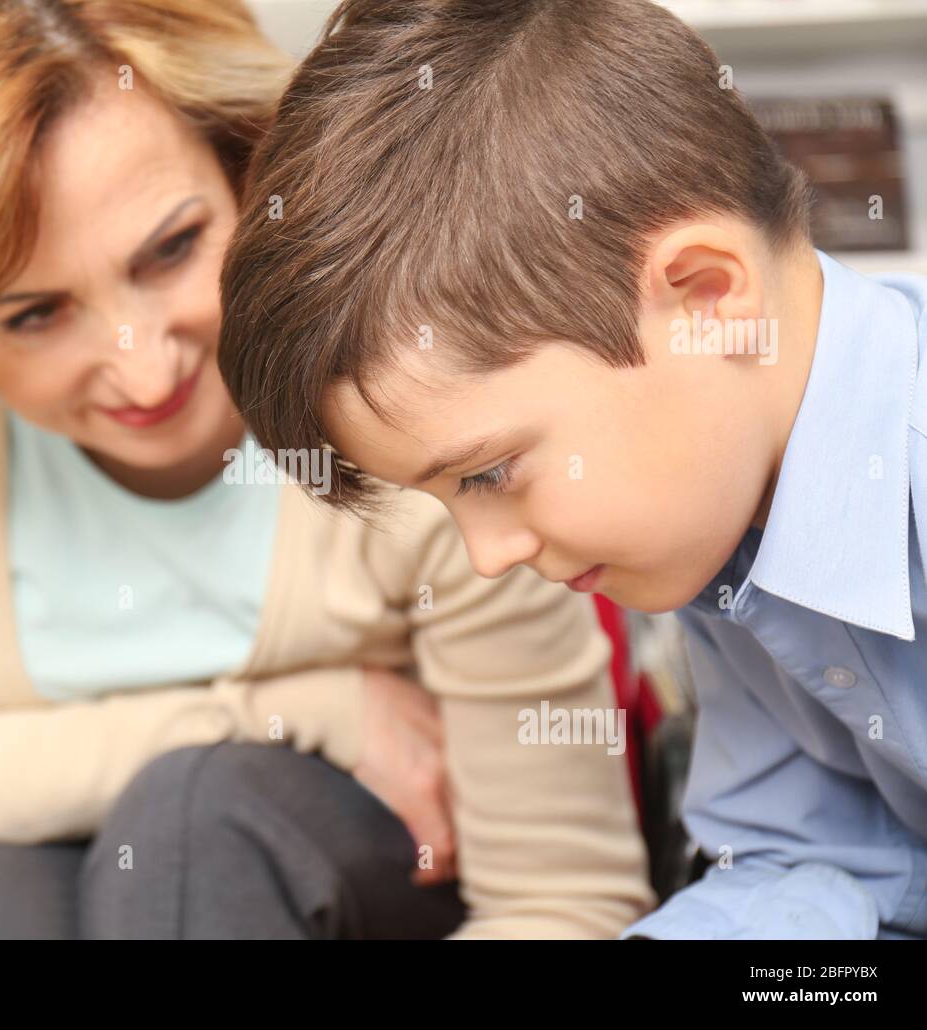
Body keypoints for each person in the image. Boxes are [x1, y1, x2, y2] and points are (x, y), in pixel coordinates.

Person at [0, 0, 652, 939]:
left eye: (173, 249)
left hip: (369, 894)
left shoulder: (408, 386)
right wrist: (305, 710)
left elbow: (561, 904)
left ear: (243, 167)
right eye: (33, 316)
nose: (147, 370)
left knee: (200, 823)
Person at [217, 0, 927, 939]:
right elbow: (823, 873)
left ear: (706, 296)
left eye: (488, 474)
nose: (486, 557)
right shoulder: (718, 513)